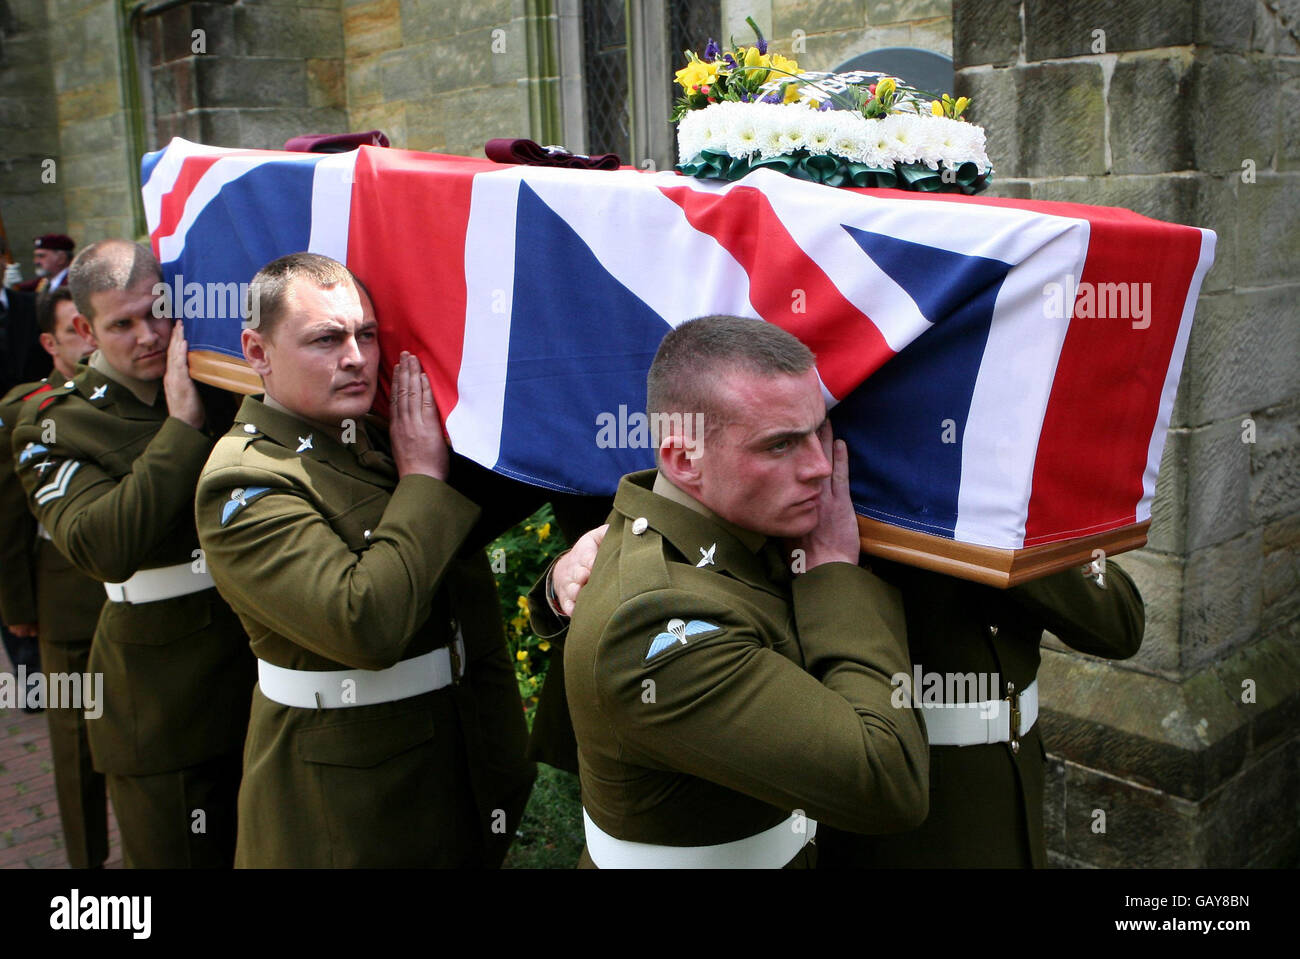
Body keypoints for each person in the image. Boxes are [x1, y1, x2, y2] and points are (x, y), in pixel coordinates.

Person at [194, 252, 535, 867]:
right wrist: (424, 478)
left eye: (367, 335)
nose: (355, 357)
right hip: (351, 810)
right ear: (257, 351)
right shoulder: (246, 483)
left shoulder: (370, 436)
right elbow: (364, 623)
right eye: (326, 339)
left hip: (453, 764)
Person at [553, 314, 927, 868]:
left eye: (819, 431)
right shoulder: (658, 621)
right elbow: (886, 779)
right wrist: (834, 576)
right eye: (780, 446)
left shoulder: (729, 525)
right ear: (684, 461)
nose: (821, 467)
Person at [11, 239, 253, 868]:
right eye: (122, 323)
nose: (147, 335)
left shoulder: (226, 385)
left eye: (158, 312)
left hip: (260, 682)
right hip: (163, 706)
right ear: (86, 330)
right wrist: (180, 427)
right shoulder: (55, 424)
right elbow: (103, 546)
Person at [814, 557, 1144, 868]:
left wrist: (1020, 544)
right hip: (912, 795)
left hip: (1019, 771)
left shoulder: (1026, 502)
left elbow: (1121, 628)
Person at [0, 287, 106, 866]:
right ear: (50, 342)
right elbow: (8, 521)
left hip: (131, 603)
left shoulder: (130, 396)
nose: (91, 343)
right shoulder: (27, 409)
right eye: (76, 331)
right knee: (75, 745)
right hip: (67, 607)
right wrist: (18, 608)